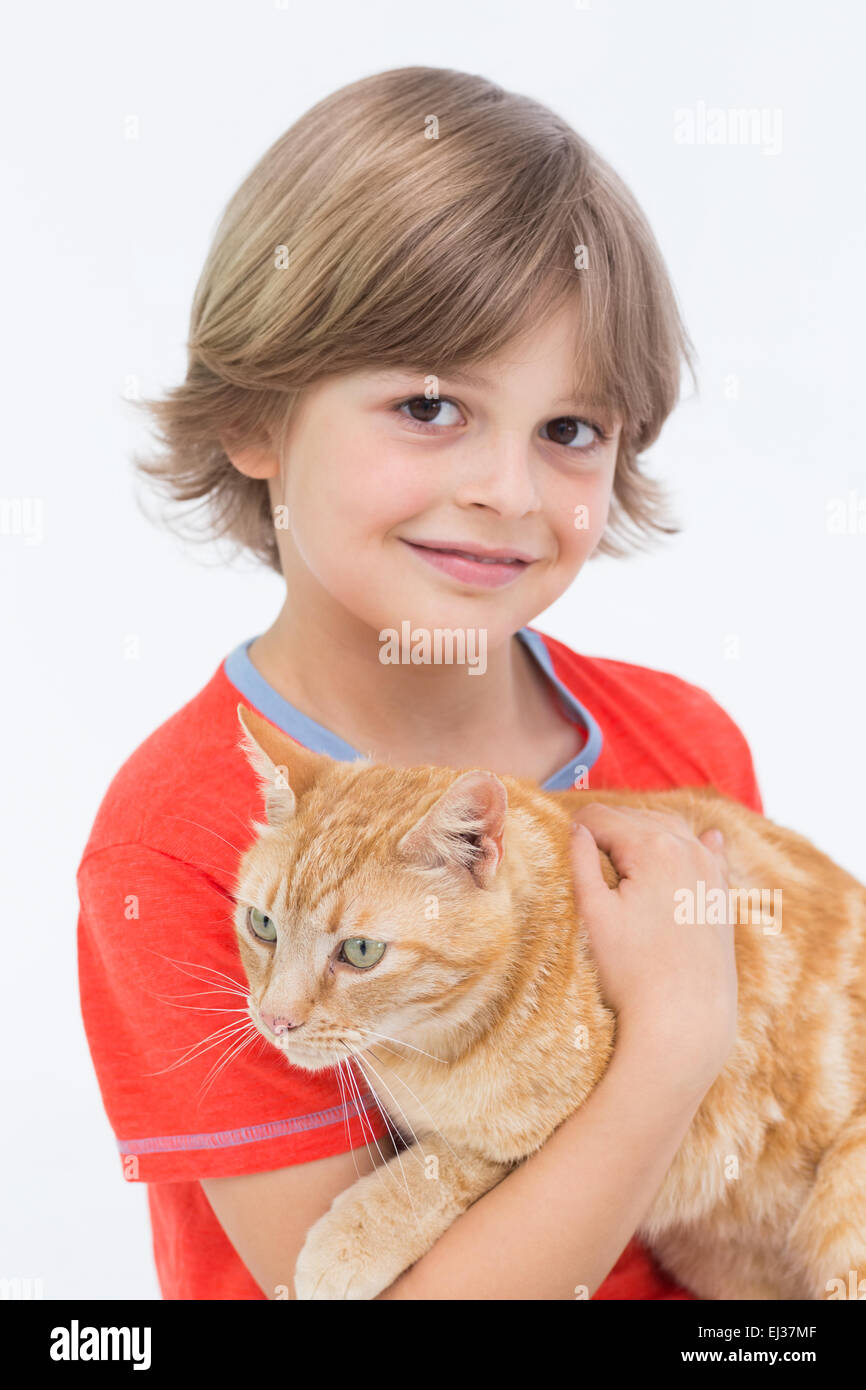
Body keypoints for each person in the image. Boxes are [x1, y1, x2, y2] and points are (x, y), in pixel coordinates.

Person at [77, 65, 762, 1300]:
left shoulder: (683, 745)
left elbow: (752, 1181)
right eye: (431, 405)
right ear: (256, 421)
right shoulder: (184, 840)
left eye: (568, 431)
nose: (506, 489)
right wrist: (669, 1042)